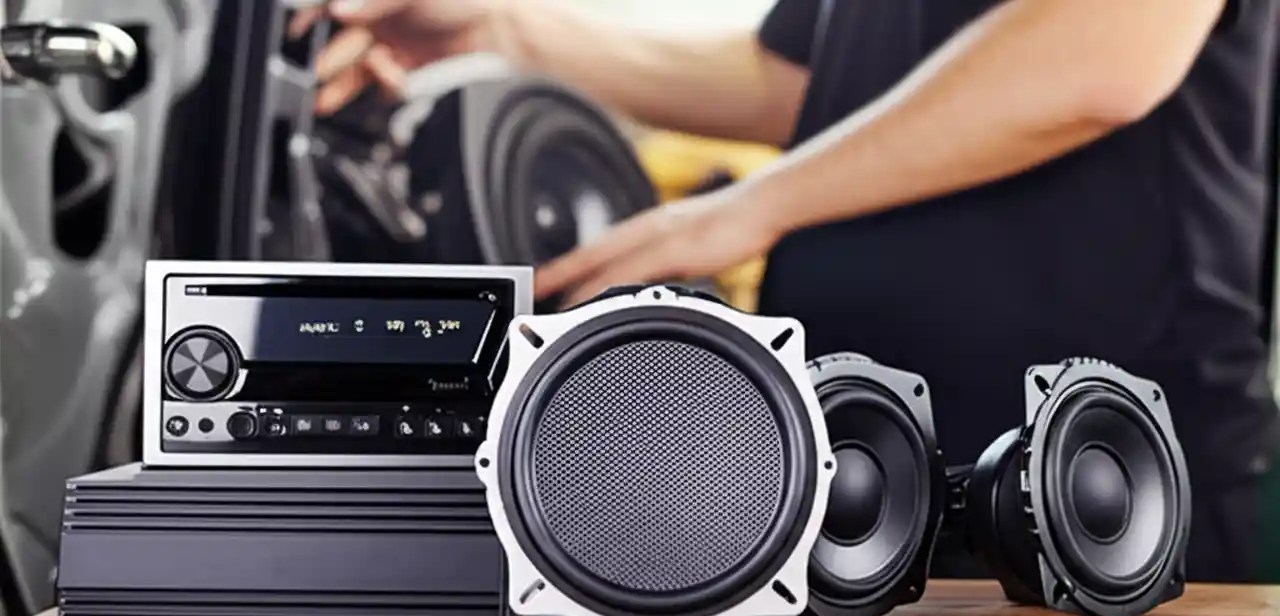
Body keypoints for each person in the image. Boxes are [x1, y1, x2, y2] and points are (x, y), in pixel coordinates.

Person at [311, 0, 1280, 583]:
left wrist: (749, 208)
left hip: (1101, 480)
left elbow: (1104, 55)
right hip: (859, 477)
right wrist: (501, 22)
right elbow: (797, 87)